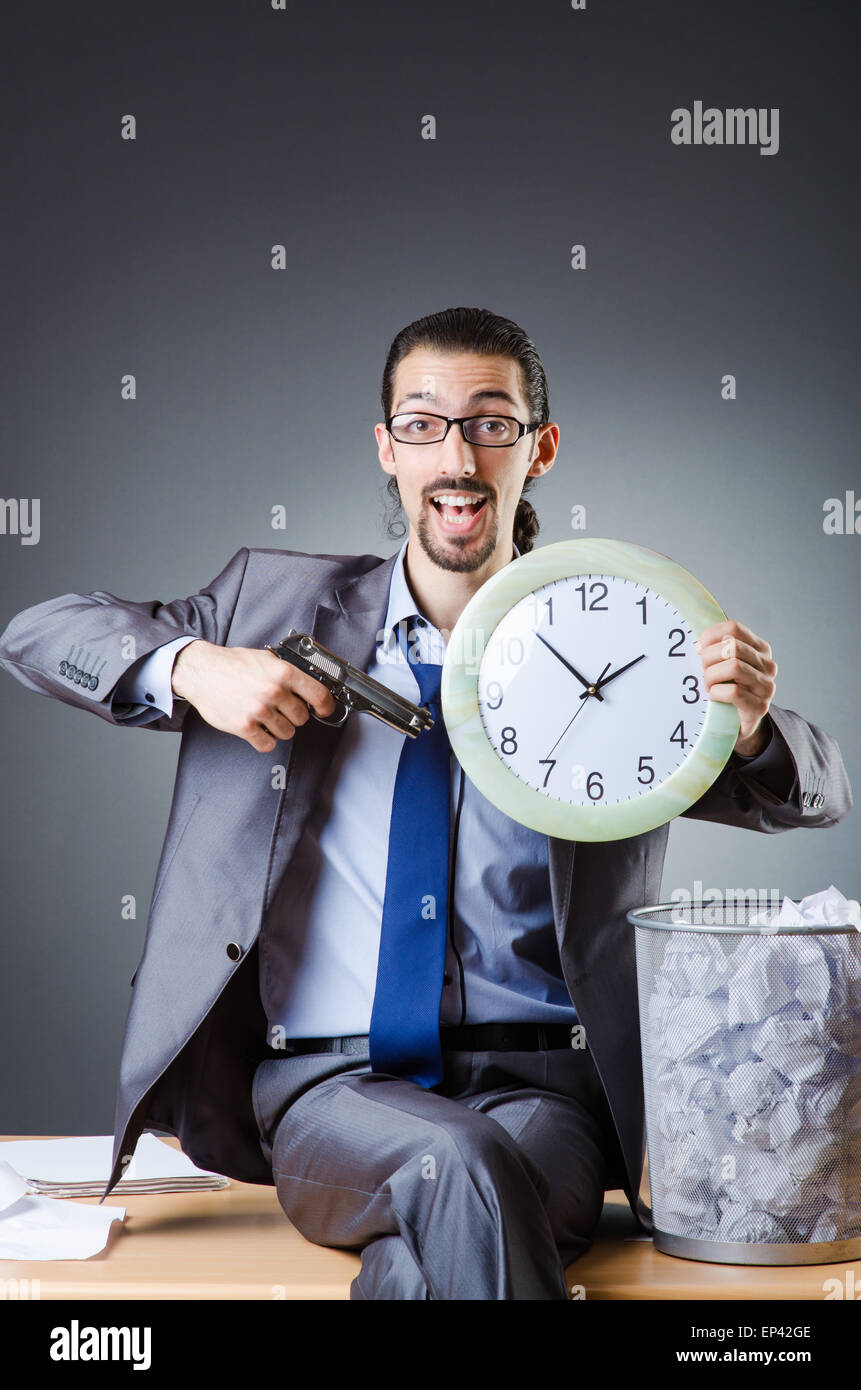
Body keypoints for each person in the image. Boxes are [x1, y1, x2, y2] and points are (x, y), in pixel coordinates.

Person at [0, 306, 852, 1300]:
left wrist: (744, 722)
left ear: (539, 447)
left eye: (492, 422)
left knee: (434, 1249)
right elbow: (37, 633)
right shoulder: (265, 608)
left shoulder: (622, 645)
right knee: (470, 1174)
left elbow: (820, 789)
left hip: (547, 1094)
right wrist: (191, 665)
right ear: (387, 450)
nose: (456, 453)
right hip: (331, 1095)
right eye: (422, 423)